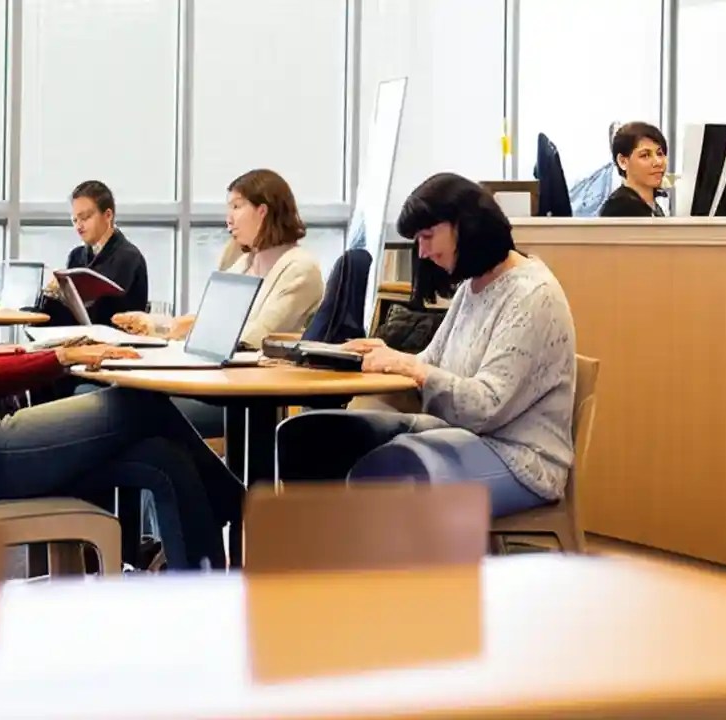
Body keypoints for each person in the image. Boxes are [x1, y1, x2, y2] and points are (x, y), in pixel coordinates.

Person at [0, 164, 242, 570]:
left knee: (162, 456)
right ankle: (235, 499)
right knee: (138, 402)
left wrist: (56, 350)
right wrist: (62, 358)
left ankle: (201, 580)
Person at [276, 173, 576, 518]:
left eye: (428, 236)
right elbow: (433, 361)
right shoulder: (473, 287)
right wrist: (390, 356)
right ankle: (311, 564)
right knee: (307, 437)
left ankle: (368, 569)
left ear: (466, 225)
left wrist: (412, 368)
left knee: (386, 473)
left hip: (518, 456)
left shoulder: (530, 295)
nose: (422, 251)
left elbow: (485, 408)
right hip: (462, 435)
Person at [113, 169, 324, 439]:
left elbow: (254, 336)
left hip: (252, 393)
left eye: (237, 206)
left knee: (138, 413)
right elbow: (208, 319)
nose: (229, 218)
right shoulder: (246, 262)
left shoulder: (300, 267)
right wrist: (156, 325)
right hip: (220, 379)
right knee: (126, 400)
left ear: (263, 210)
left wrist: (182, 328)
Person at [36, 180, 149, 327]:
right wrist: (54, 294)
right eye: (75, 220)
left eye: (85, 218)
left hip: (116, 341)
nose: (79, 226)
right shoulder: (76, 256)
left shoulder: (129, 257)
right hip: (79, 338)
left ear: (108, 215)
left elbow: (107, 311)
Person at [599, 122, 669, 217]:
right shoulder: (619, 210)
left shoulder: (653, 206)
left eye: (660, 154)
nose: (658, 162)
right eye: (645, 155)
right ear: (623, 161)